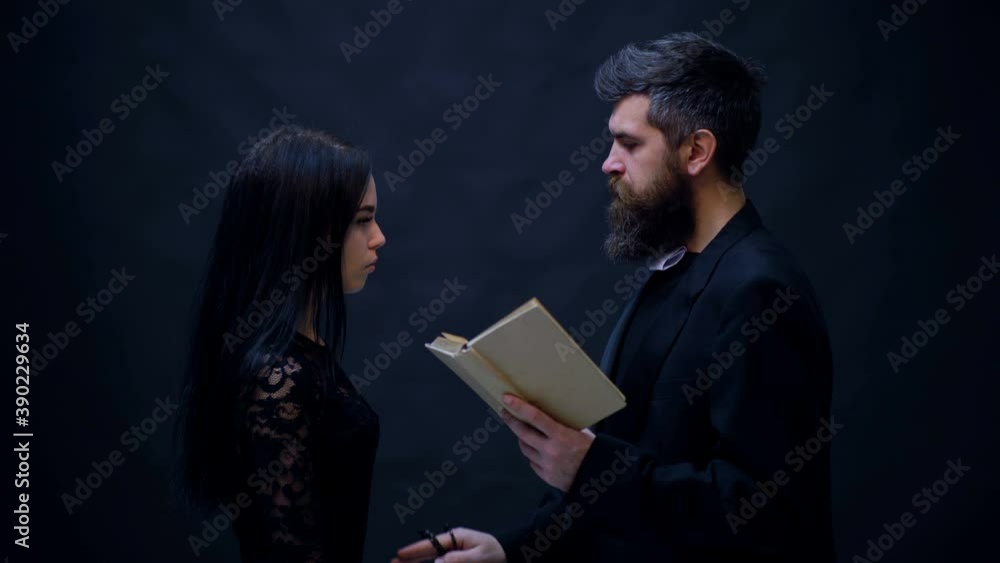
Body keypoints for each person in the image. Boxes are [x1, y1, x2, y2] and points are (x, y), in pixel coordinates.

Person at [394, 32, 834, 563]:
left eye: (629, 144)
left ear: (696, 151)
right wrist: (509, 552)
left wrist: (590, 467)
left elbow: (768, 515)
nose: (608, 163)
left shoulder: (760, 290)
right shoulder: (673, 274)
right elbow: (633, 491)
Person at [176, 126, 387, 562]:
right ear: (309, 232)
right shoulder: (280, 378)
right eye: (363, 220)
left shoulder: (298, 354)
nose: (378, 237)